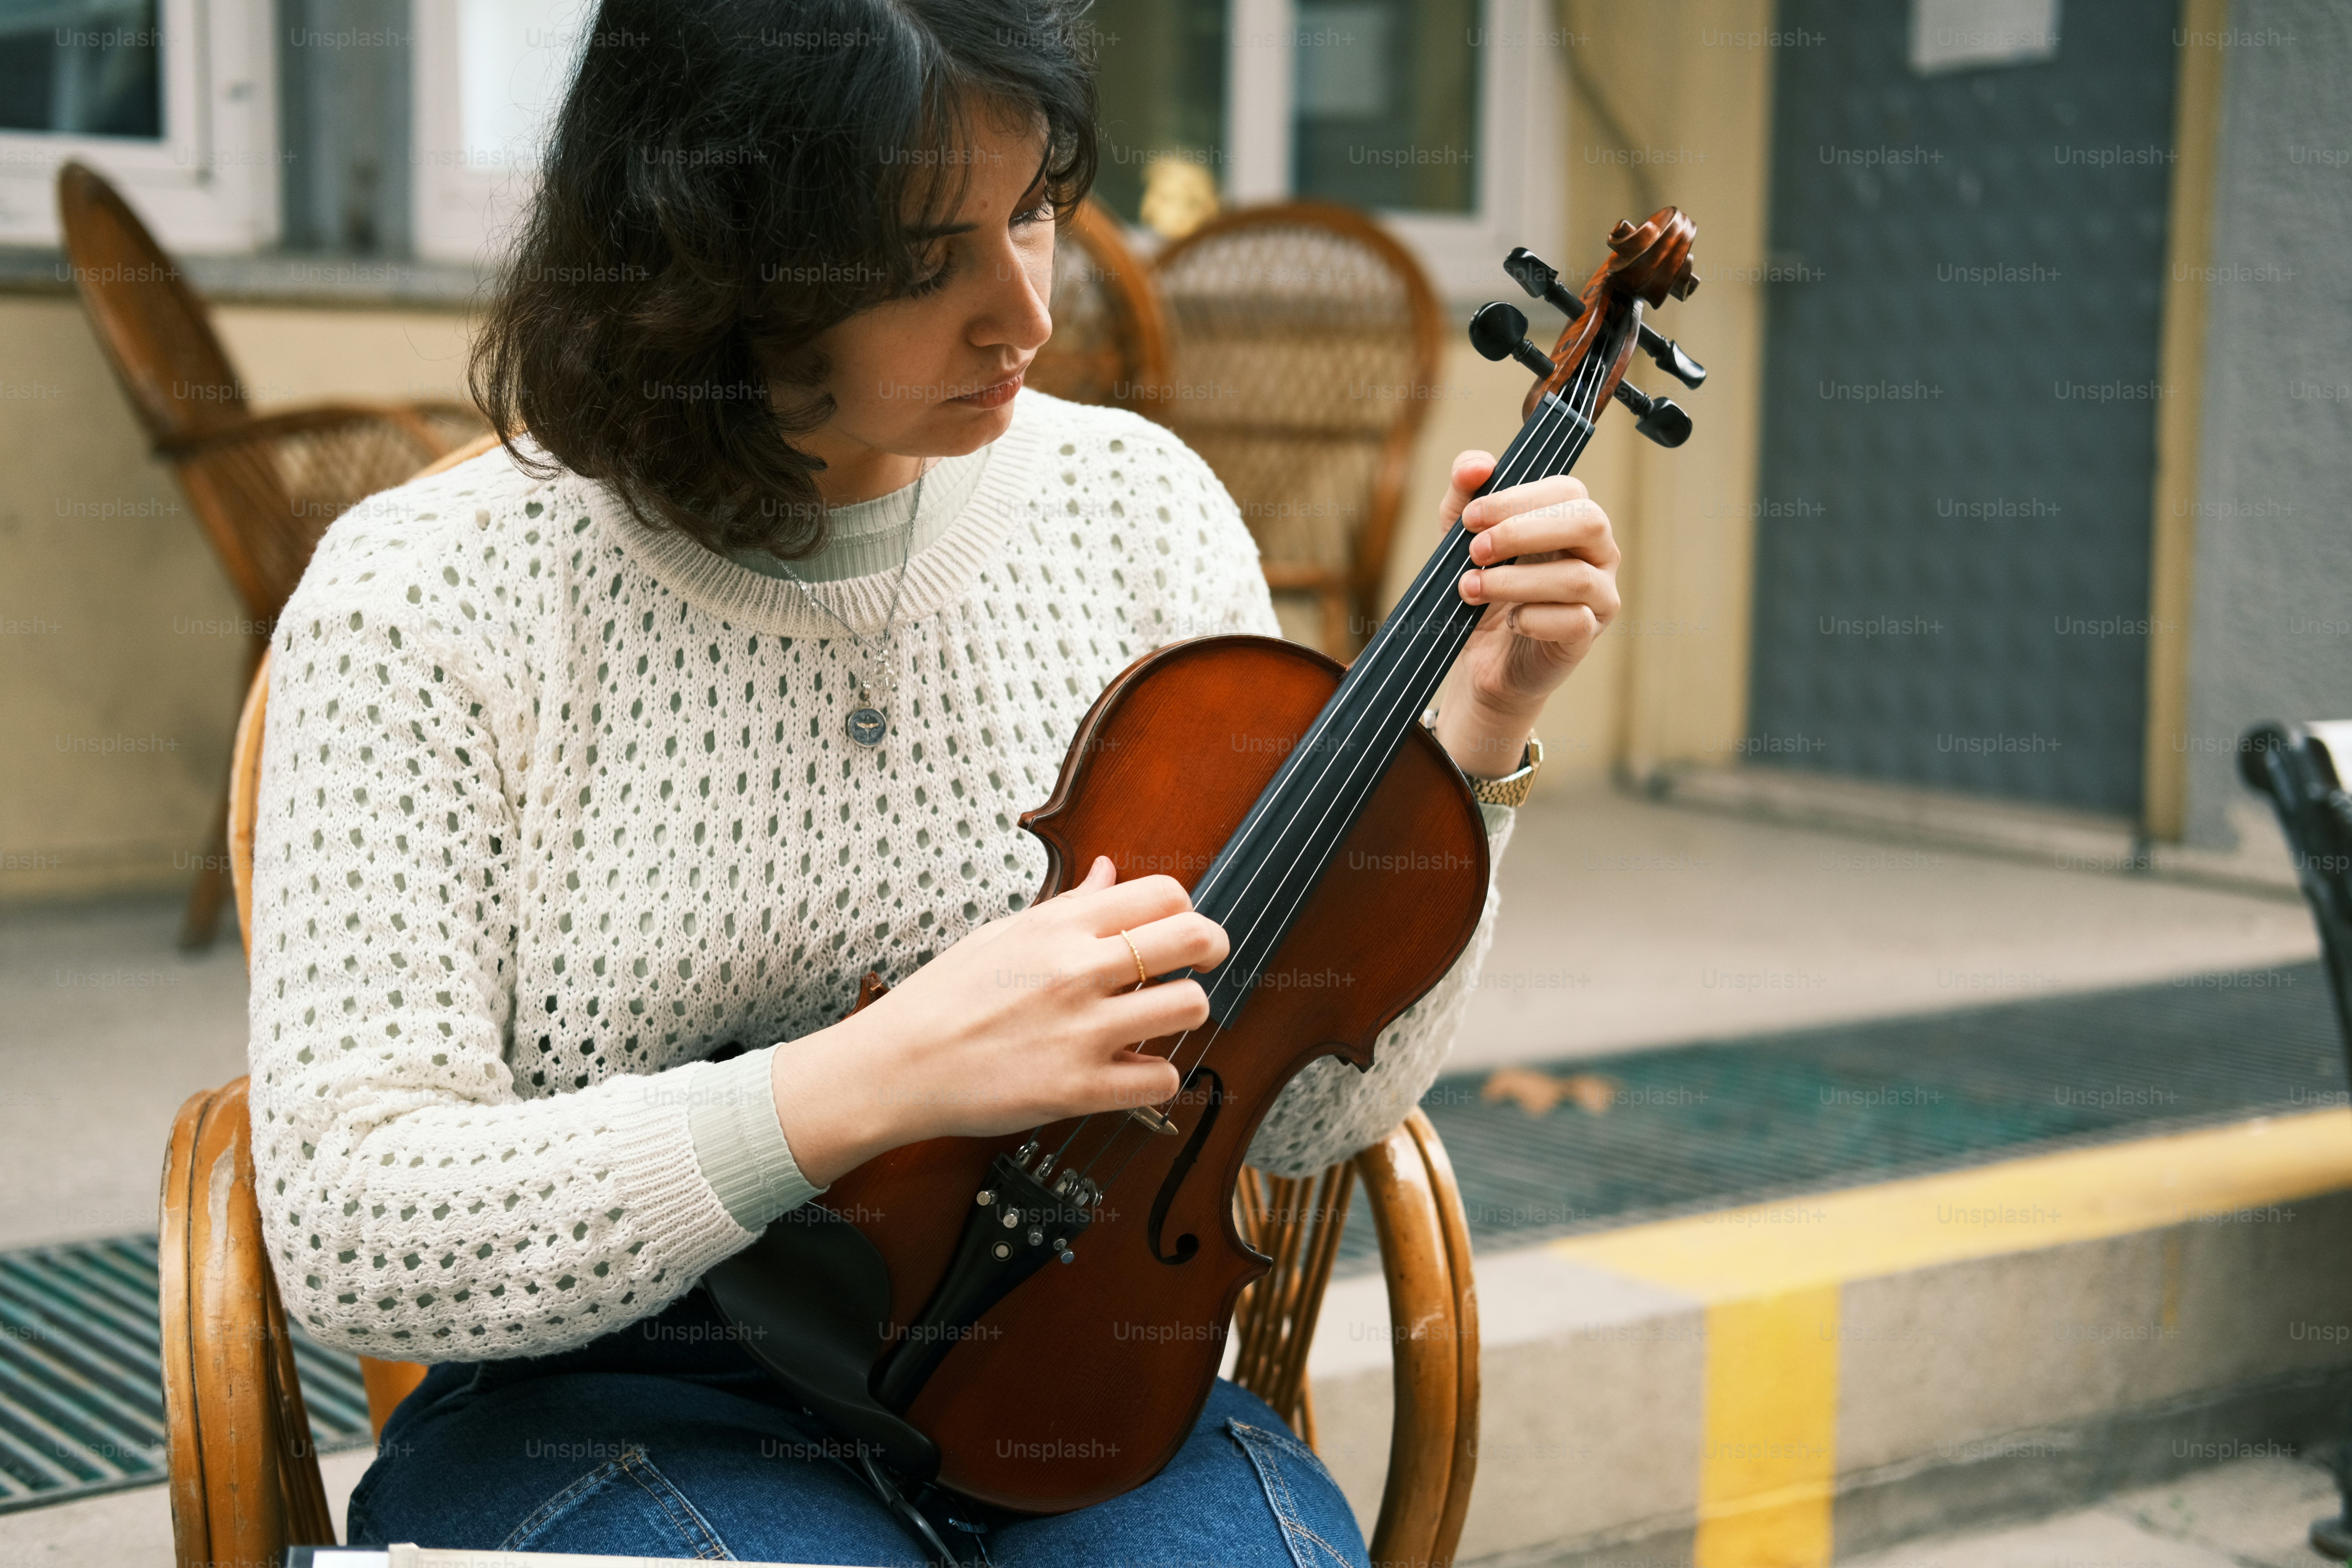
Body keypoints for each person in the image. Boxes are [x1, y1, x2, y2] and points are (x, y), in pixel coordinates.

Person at [249, 1, 1620, 1562]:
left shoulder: (1141, 513)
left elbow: (1313, 1112)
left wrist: (1478, 735)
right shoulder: (429, 595)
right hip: (616, 1387)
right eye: (919, 261)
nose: (1022, 315)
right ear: (712, 261)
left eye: (1031, 210)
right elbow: (351, 1215)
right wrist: (875, 1076)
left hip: (1082, 1355)